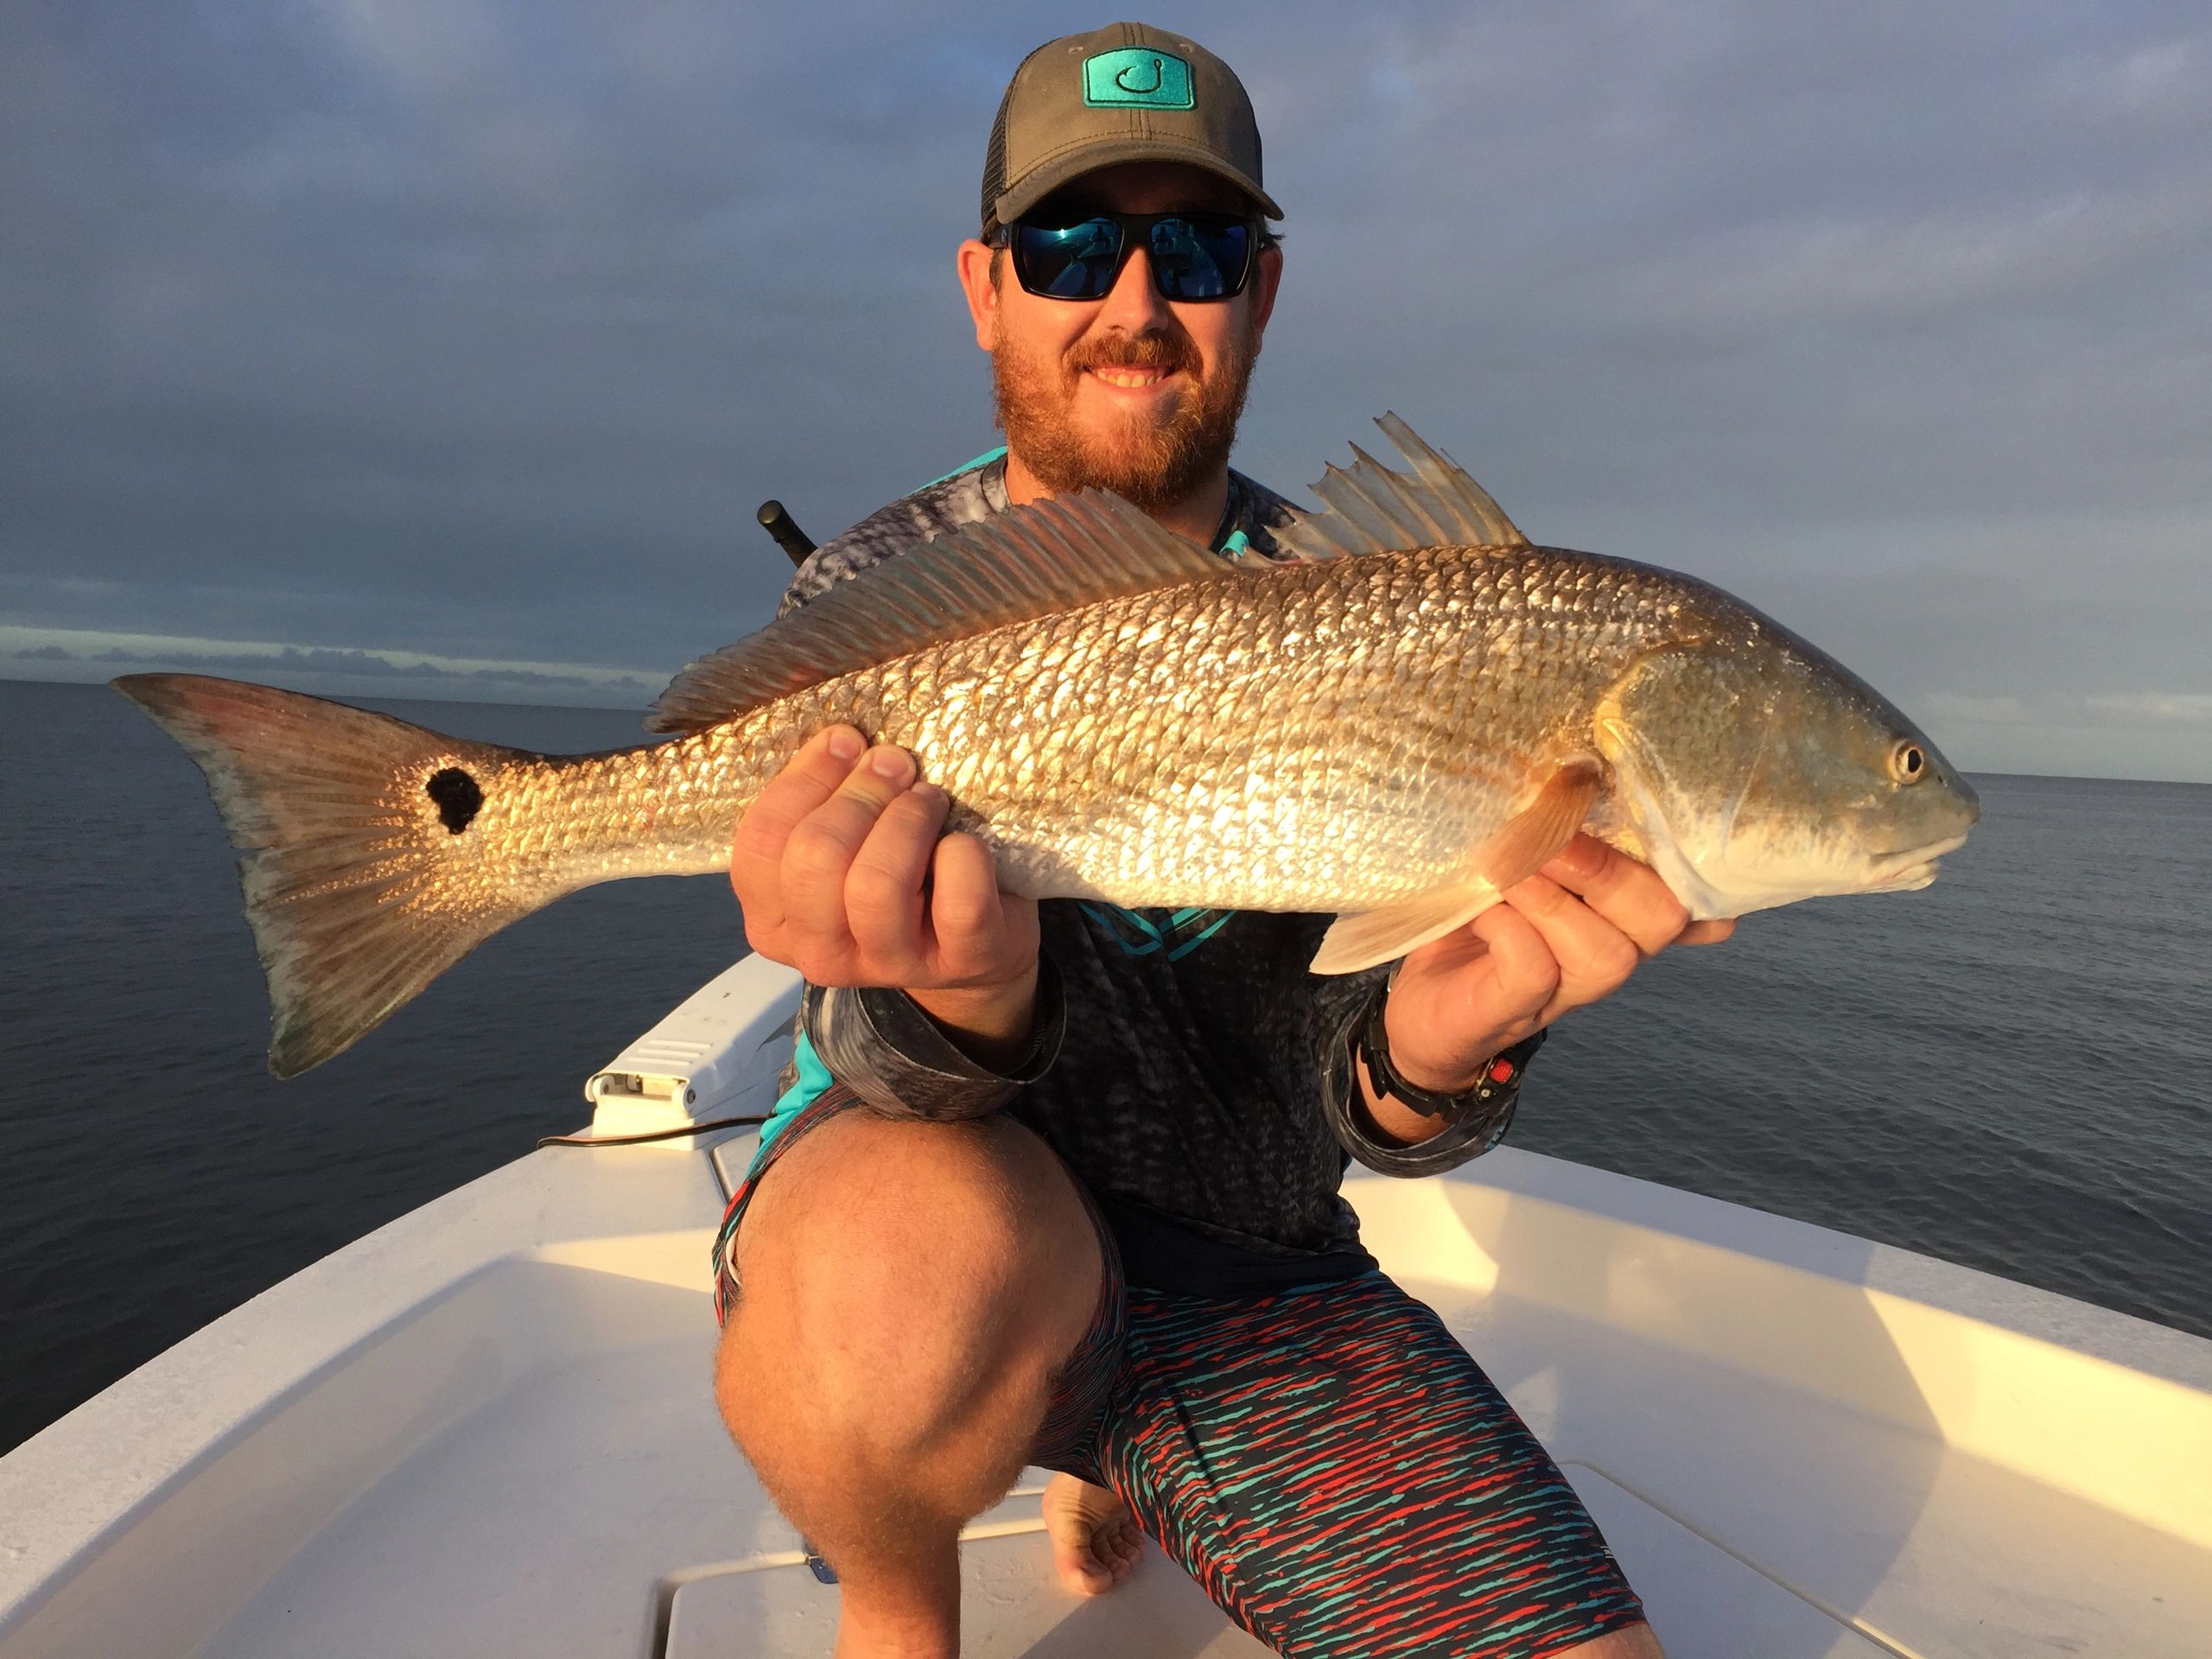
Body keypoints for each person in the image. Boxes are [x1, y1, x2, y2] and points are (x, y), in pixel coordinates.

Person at [711, 22, 1731, 1658]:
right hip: (954, 1242)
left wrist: (1436, 1052)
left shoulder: (1384, 603)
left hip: (1254, 1272)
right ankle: (901, 1601)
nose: (1132, 303)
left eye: (1191, 247)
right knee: (904, 1266)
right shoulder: (882, 591)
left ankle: (1123, 1437)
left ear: (1259, 290)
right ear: (986, 286)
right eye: (1070, 245)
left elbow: (1359, 1098)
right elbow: (869, 1061)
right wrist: (969, 1000)